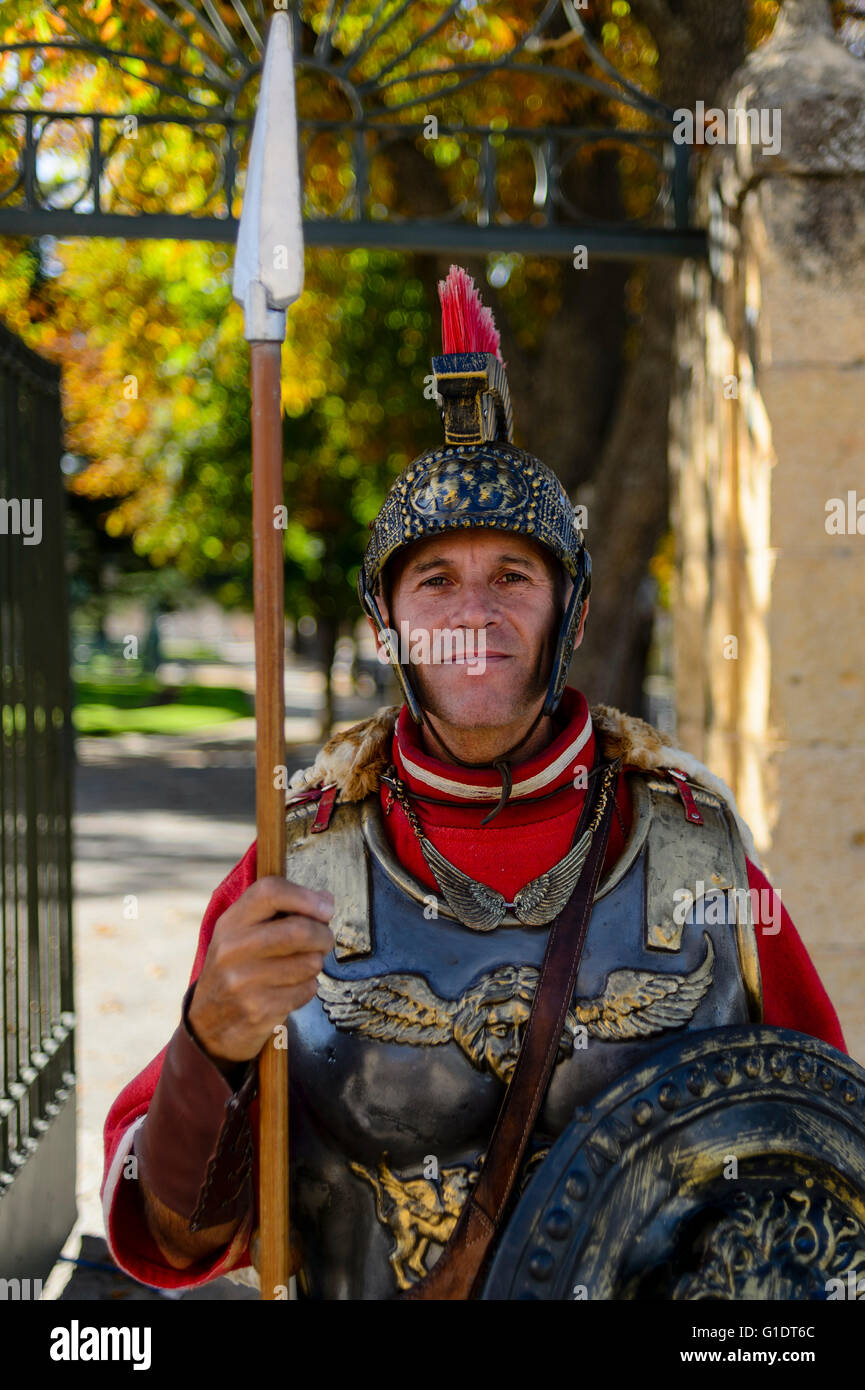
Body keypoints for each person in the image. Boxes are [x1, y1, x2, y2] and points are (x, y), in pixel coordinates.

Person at [102, 266, 844, 1300]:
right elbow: (176, 1240)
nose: (473, 613)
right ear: (387, 625)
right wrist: (209, 1044)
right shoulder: (299, 855)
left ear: (570, 617)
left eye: (513, 577)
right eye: (436, 579)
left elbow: (819, 1174)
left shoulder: (696, 847)